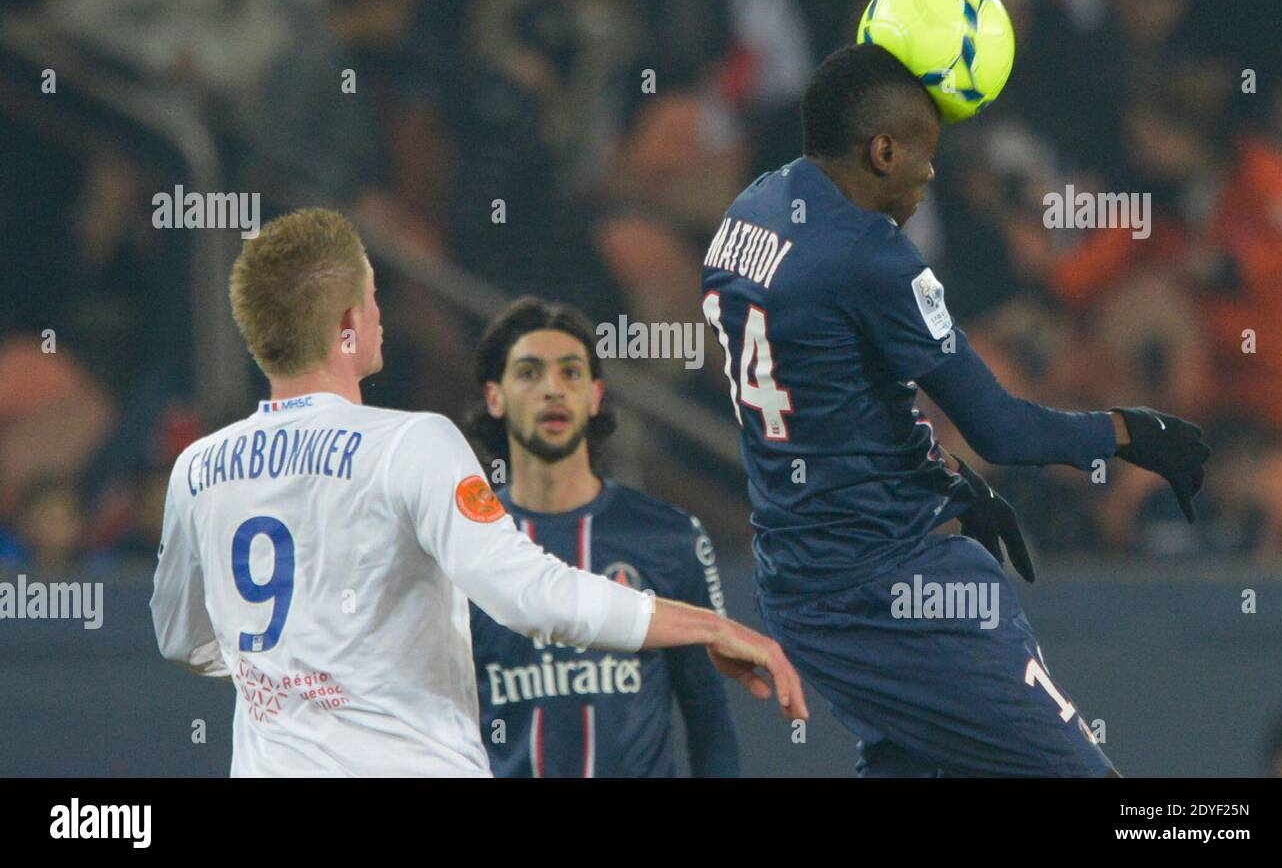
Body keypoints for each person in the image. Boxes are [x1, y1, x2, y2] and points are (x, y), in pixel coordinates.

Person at [150, 207, 806, 777]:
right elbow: (531, 593)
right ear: (350, 320)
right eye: (374, 297)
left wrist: (294, 672)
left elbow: (181, 638)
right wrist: (705, 624)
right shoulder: (411, 444)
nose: (381, 314)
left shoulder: (200, 469)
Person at [700, 45, 1209, 777]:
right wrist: (1129, 431)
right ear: (882, 150)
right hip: (888, 587)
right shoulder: (871, 255)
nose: (930, 173)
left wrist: (935, 473)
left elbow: (825, 389)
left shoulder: (749, 211)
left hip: (798, 582)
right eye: (922, 153)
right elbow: (1001, 428)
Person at [465, 297, 739, 777]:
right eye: (529, 373)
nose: (553, 390)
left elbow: (708, 714)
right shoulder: (465, 545)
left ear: (594, 396)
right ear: (495, 396)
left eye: (570, 373)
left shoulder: (668, 537)